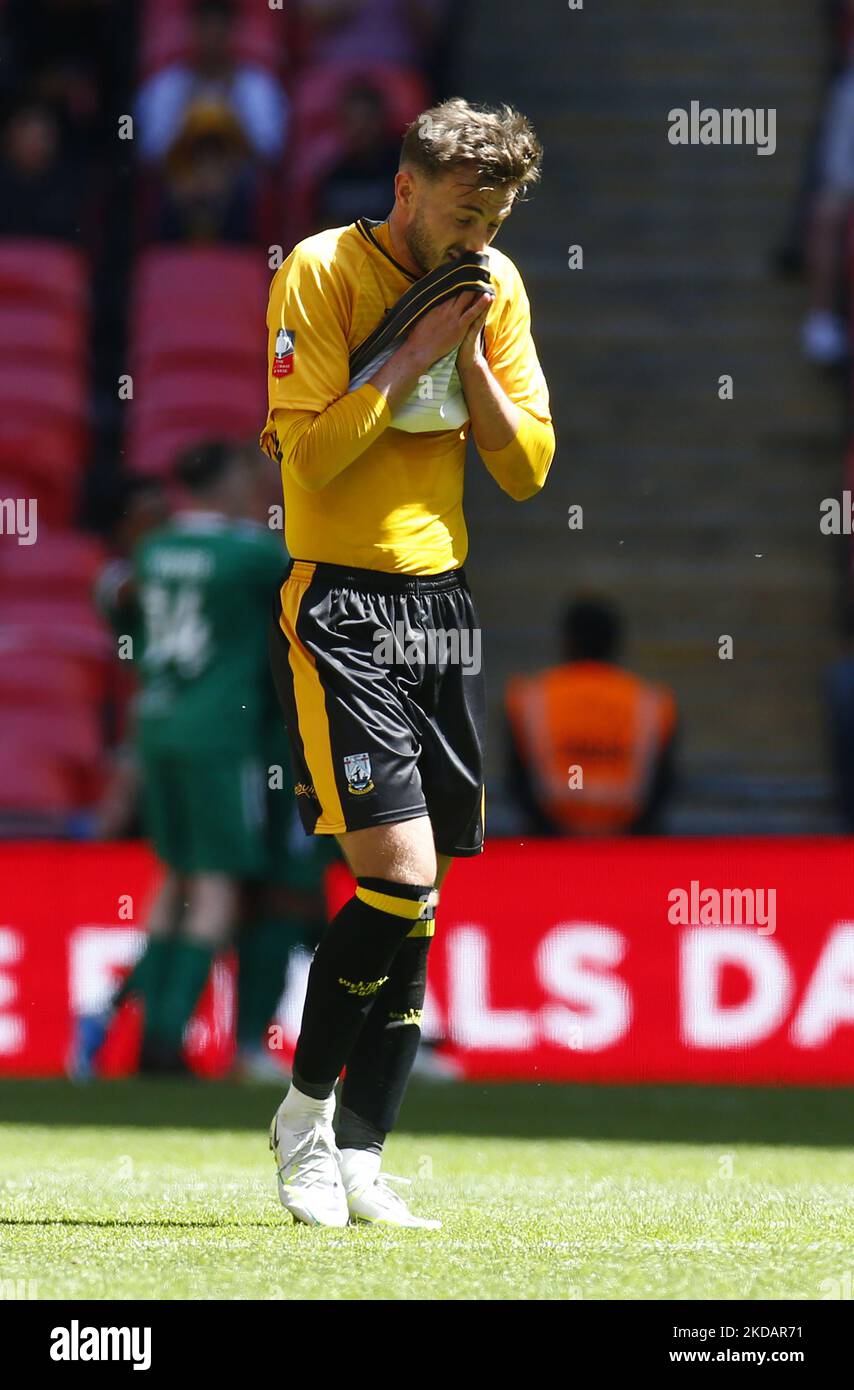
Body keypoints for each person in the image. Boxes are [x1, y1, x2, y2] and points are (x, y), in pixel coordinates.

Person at [260, 96, 554, 1226]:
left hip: (439, 604)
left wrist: (470, 355)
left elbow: (525, 467)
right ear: (405, 188)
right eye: (464, 206)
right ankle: (301, 1120)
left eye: (501, 208)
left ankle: (366, 1154)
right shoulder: (324, 273)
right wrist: (411, 356)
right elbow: (313, 458)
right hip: (339, 598)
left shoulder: (499, 285)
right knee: (394, 871)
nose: (481, 228)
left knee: (421, 897)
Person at [70, 441, 286, 1077]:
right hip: (220, 735)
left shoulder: (153, 551)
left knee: (173, 878)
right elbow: (311, 591)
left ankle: (131, 1029)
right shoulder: (250, 556)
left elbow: (113, 597)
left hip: (156, 727)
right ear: (228, 483)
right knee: (217, 884)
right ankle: (165, 1042)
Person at [505, 596, 677, 836]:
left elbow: (518, 783)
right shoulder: (652, 702)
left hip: (550, 843)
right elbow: (662, 786)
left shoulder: (529, 697)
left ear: (568, 640)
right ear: (615, 642)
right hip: (629, 843)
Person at [136, 0, 288, 164]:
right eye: (205, 27)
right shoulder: (165, 86)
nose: (212, 37)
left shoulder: (259, 86)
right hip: (179, 184)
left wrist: (235, 108)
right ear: (191, 29)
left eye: (219, 29)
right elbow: (150, 153)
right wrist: (184, 111)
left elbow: (271, 153)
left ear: (233, 30)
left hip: (242, 184)